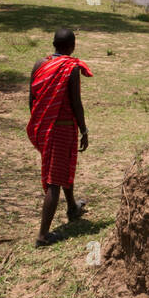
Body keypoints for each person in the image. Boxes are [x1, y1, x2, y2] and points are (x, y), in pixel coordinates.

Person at [27, 28, 92, 247]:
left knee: (64, 168)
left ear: (54, 44)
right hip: (62, 128)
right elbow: (76, 103)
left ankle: (72, 207)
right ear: (71, 46)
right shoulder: (70, 68)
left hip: (44, 127)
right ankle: (43, 236)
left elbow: (32, 99)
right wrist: (84, 129)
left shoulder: (39, 64)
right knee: (54, 180)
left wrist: (40, 124)